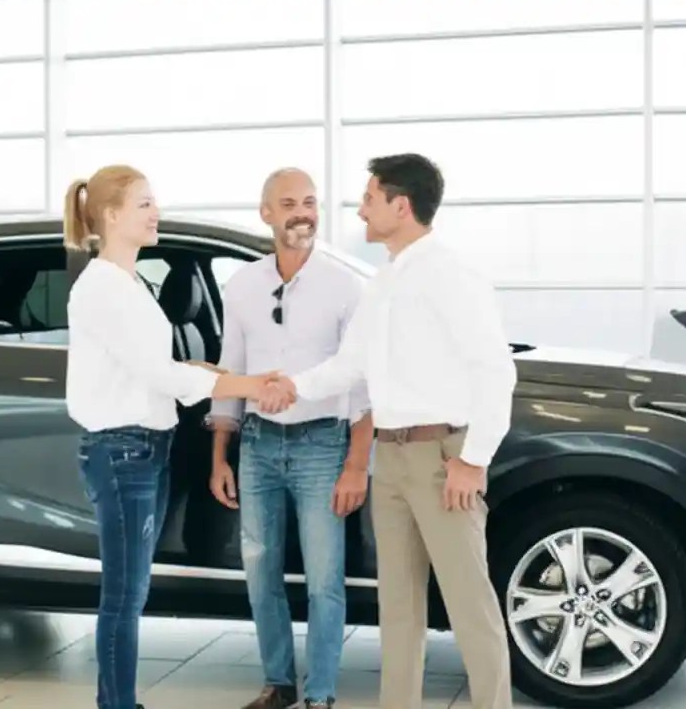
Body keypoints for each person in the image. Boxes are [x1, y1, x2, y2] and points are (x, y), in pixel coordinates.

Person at [259, 154, 516, 709]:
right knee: (397, 608)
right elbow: (350, 365)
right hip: (392, 458)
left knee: (470, 604)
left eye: (371, 199)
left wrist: (473, 459)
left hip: (442, 457)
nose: (360, 208)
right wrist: (288, 387)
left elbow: (495, 369)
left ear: (401, 206)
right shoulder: (383, 280)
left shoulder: (451, 274)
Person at [63, 164, 272, 709]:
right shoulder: (102, 287)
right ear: (111, 216)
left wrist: (217, 370)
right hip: (122, 451)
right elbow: (162, 376)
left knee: (132, 593)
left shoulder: (130, 282)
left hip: (146, 448)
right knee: (124, 598)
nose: (156, 213)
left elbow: (160, 362)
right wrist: (245, 383)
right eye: (144, 205)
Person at [207, 167, 373, 709]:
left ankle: (320, 693)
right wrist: (220, 456)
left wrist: (356, 465)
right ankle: (277, 683)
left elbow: (362, 385)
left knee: (325, 578)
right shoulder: (243, 286)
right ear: (266, 214)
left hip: (323, 445)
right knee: (261, 571)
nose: (302, 212)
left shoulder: (347, 288)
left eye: (309, 202)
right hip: (256, 446)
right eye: (289, 203)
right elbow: (229, 371)